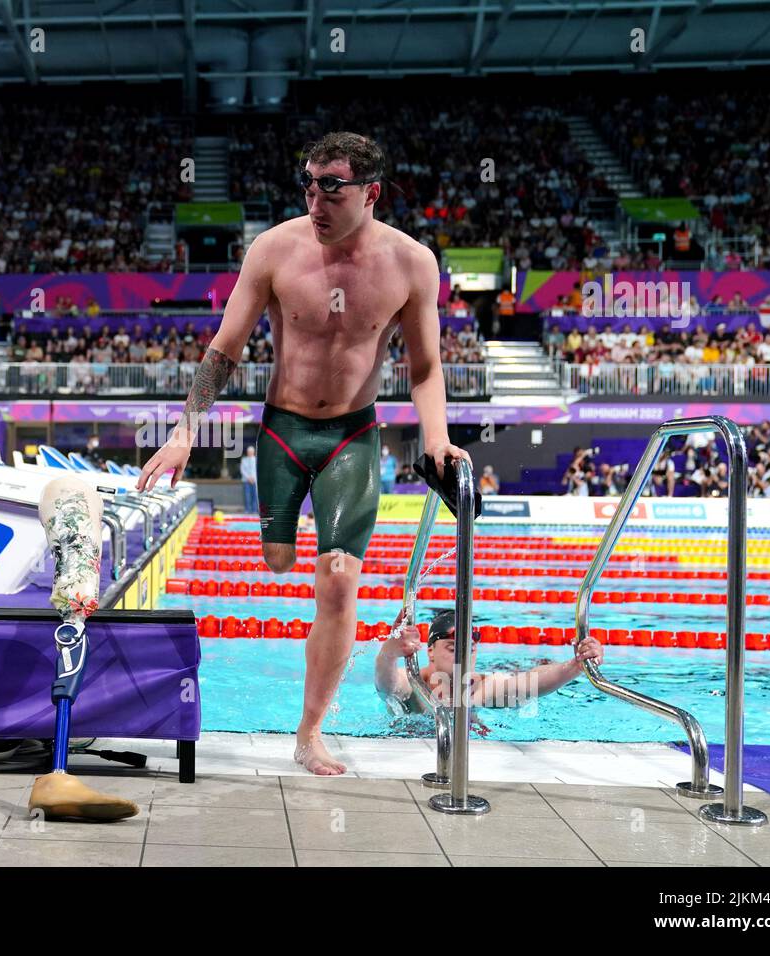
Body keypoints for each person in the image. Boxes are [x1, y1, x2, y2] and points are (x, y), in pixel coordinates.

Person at [137, 131, 469, 775]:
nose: (316, 200)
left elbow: (426, 369)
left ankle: (309, 731)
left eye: (332, 188)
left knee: (340, 582)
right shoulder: (274, 250)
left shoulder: (411, 264)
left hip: (352, 436)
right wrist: (184, 431)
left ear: (370, 193)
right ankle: (284, 547)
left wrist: (435, 439)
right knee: (279, 560)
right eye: (309, 184)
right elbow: (224, 349)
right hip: (282, 433)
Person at [374, 609, 605, 714]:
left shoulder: (482, 688)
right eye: (453, 648)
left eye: (470, 649)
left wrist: (575, 665)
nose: (463, 656)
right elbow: (387, 684)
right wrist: (390, 651)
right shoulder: (413, 684)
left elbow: (530, 683)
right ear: (430, 651)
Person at [239, 444, 259, 513]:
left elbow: (258, 470)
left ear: (253, 452)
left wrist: (253, 478)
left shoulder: (257, 460)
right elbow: (242, 470)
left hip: (254, 481)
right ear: (247, 452)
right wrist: (248, 478)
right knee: (247, 496)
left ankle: (254, 510)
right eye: (248, 452)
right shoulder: (244, 460)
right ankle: (247, 509)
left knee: (255, 496)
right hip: (246, 480)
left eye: (251, 452)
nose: (250, 453)